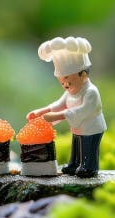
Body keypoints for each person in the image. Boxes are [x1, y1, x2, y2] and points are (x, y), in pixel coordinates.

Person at [27, 37, 106, 178]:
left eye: (68, 80)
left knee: (88, 148)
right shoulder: (70, 92)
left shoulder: (91, 92)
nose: (65, 85)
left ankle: (89, 167)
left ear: (83, 75)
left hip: (92, 128)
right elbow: (59, 104)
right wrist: (41, 111)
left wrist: (57, 116)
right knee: (76, 146)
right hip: (78, 127)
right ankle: (74, 164)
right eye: (61, 82)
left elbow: (82, 111)